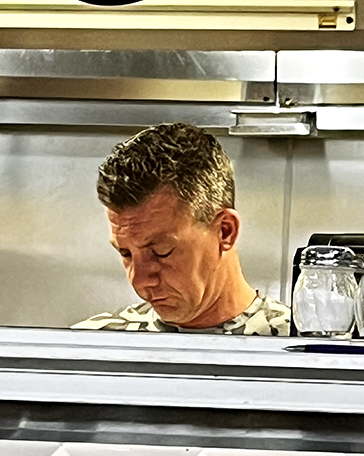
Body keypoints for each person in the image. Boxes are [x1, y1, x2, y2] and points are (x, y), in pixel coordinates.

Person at [72, 122, 290, 335]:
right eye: (126, 253)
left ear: (225, 231)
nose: (140, 281)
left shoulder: (303, 349)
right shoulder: (91, 347)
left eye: (161, 252)